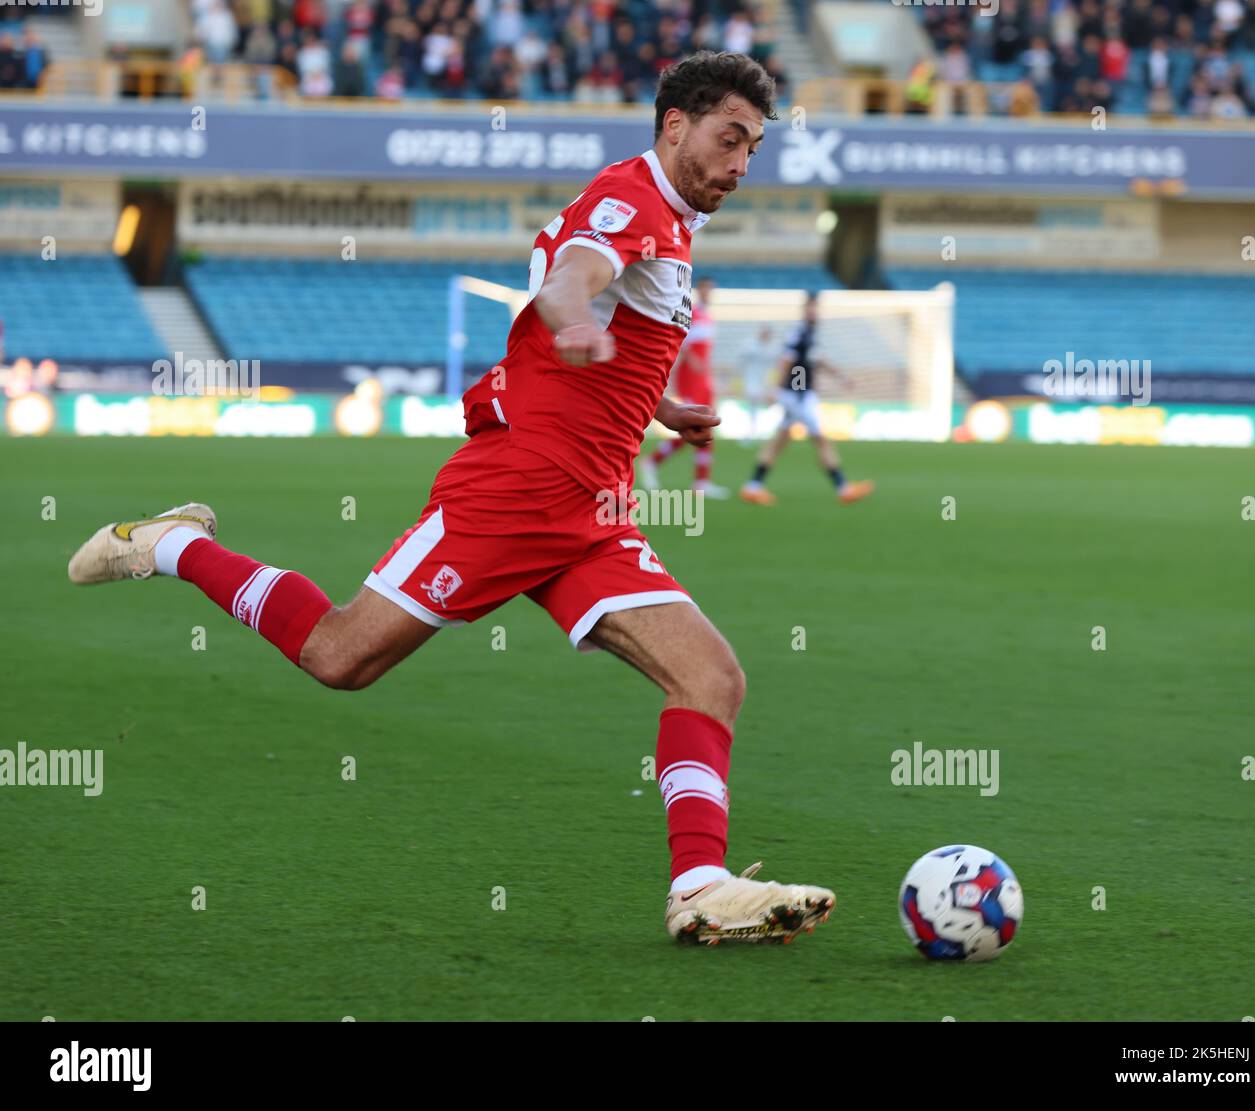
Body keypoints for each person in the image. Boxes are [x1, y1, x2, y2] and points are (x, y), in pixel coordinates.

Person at [67, 52, 836, 948]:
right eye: (729, 139)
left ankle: (699, 886)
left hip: (588, 508)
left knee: (711, 677)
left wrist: (655, 397)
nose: (741, 164)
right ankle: (168, 544)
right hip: (515, 494)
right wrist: (574, 314)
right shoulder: (632, 203)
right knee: (339, 656)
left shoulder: (659, 213)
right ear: (676, 127)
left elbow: (601, 303)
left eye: (753, 146)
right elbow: (570, 278)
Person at [740, 293, 875, 506]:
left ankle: (753, 486)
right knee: (820, 439)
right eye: (811, 308)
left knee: (781, 440)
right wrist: (776, 388)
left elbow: (818, 360)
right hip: (797, 394)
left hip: (800, 394)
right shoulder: (799, 333)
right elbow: (786, 360)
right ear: (805, 310)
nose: (815, 312)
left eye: (817, 308)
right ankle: (843, 488)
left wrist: (841, 377)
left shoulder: (810, 334)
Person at [640, 277, 728, 498]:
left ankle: (701, 481)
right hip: (690, 378)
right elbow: (682, 341)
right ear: (700, 290)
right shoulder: (692, 313)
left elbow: (704, 351)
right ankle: (653, 462)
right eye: (707, 288)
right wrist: (692, 360)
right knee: (693, 425)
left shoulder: (708, 317)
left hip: (703, 378)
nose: (709, 292)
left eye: (712, 289)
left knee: (706, 426)